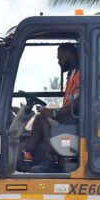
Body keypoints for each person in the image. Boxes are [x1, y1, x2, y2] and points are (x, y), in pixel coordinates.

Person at [25, 42, 80, 173]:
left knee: (44, 116)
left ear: (70, 55)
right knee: (40, 116)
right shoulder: (71, 75)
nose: (59, 62)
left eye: (60, 58)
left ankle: (49, 159)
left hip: (75, 117)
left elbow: (79, 102)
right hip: (69, 114)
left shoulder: (81, 74)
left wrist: (55, 112)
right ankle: (28, 153)